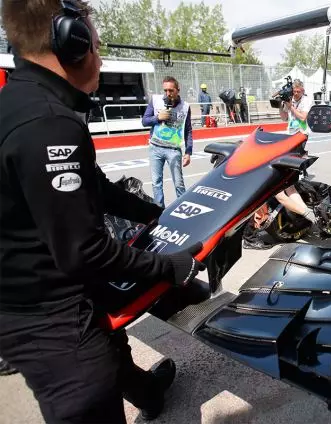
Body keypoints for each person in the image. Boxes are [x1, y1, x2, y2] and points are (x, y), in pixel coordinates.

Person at [0, 1, 205, 422]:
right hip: (51, 320)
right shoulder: (49, 124)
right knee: (93, 394)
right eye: (96, 42)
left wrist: (157, 213)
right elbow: (84, 251)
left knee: (112, 347)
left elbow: (98, 189)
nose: (100, 54)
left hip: (27, 295)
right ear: (72, 42)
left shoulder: (20, 102)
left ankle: (148, 391)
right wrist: (169, 267)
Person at [142, 75, 193, 208]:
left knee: (179, 183)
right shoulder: (155, 100)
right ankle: (159, 212)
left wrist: (188, 151)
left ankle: (182, 210)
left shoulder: (185, 107)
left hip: (173, 150)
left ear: (178, 90)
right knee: (156, 183)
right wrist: (157, 117)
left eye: (171, 90)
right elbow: (144, 121)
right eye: (165, 90)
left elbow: (188, 130)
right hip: (155, 148)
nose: (167, 93)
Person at [276, 79, 314, 223]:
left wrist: (291, 106)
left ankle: (298, 180)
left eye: (298, 91)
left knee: (296, 159)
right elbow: (284, 118)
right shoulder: (290, 99)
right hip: (290, 133)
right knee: (289, 159)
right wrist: (282, 105)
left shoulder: (306, 100)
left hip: (301, 133)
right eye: (294, 91)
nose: (296, 93)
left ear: (302, 90)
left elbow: (303, 117)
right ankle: (295, 180)